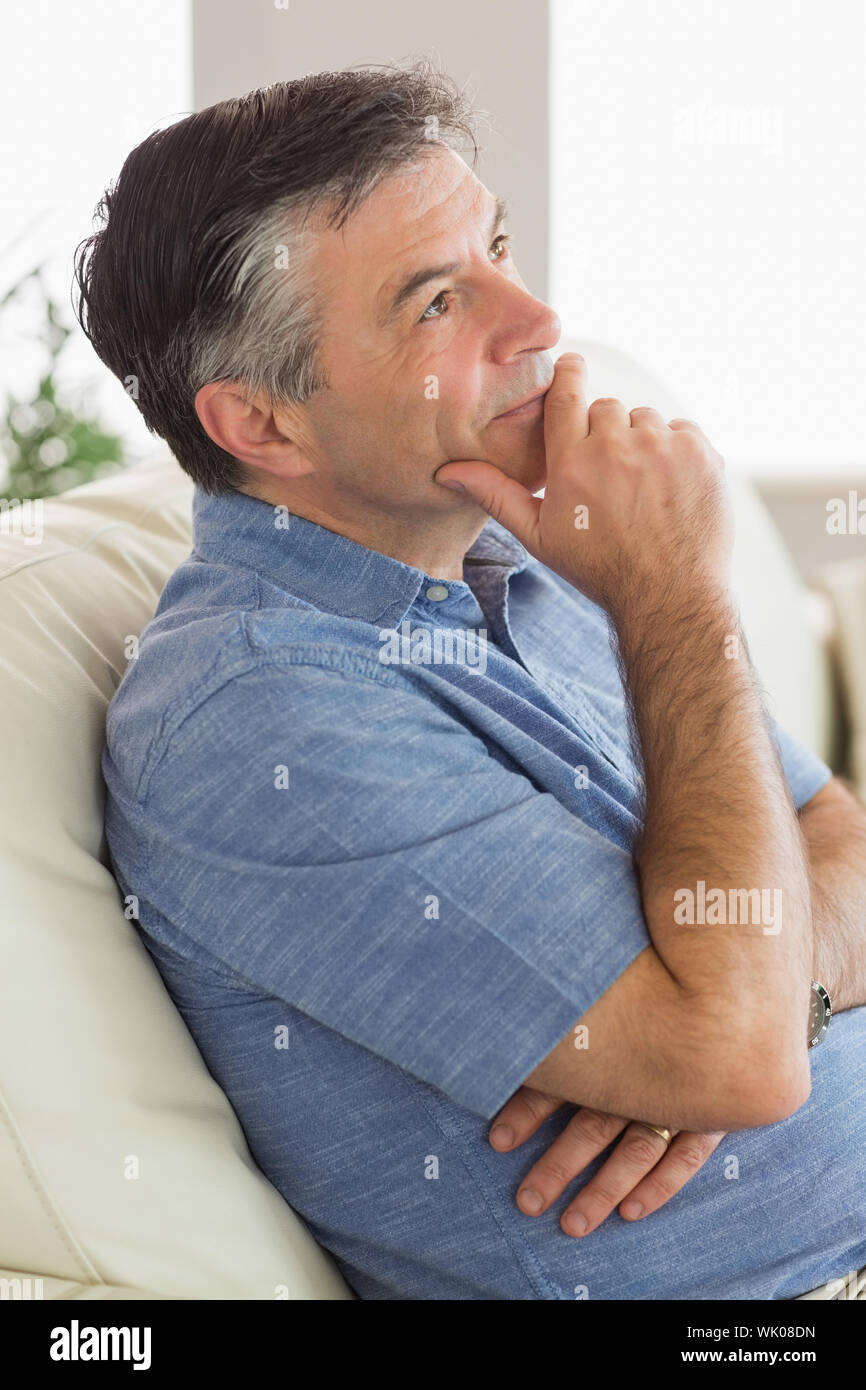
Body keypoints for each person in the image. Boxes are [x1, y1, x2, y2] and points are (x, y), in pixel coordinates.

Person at [76, 61, 866, 1300]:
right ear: (263, 425)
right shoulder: (257, 712)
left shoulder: (530, 556)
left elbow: (832, 831)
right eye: (438, 299)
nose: (538, 321)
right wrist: (675, 593)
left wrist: (778, 996)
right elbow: (736, 1054)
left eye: (496, 244)